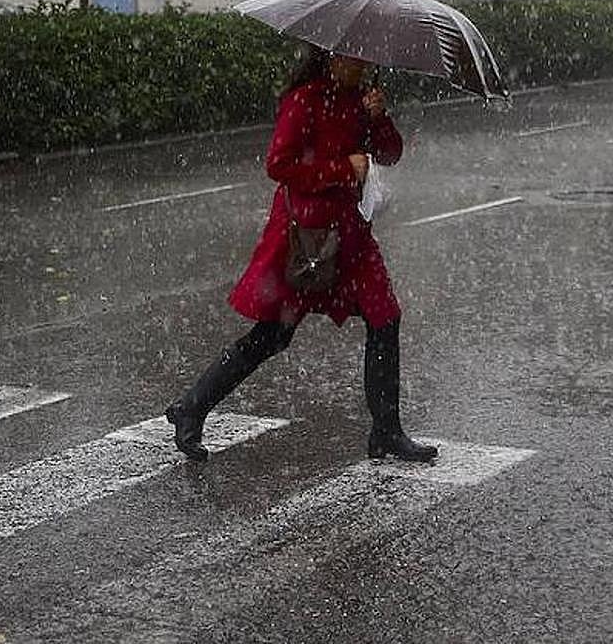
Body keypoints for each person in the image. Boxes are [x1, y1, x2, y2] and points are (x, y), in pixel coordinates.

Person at [164, 45, 437, 464]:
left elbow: (389, 154)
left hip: (351, 238)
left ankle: (386, 432)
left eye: (365, 61)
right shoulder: (304, 100)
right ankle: (191, 407)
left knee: (385, 318)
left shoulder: (361, 101)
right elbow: (280, 165)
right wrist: (342, 169)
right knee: (273, 334)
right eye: (353, 60)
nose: (361, 67)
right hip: (304, 240)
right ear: (331, 59)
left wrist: (380, 118)